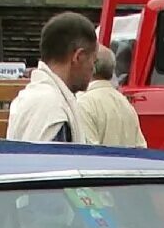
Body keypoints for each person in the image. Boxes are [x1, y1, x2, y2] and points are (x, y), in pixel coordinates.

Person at [8, 12, 98, 143]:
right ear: (78, 57)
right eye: (93, 61)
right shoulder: (55, 111)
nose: (93, 69)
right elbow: (56, 163)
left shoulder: (26, 98)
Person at [75, 46, 145, 148]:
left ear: (91, 65)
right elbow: (141, 148)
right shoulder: (126, 105)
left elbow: (88, 154)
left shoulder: (83, 104)